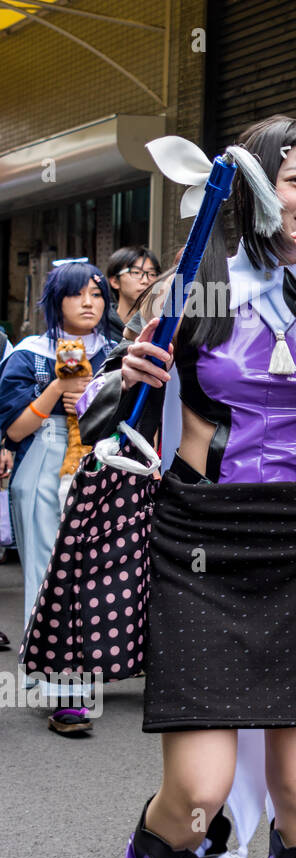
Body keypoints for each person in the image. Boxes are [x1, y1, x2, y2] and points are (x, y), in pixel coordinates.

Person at [89, 115, 296, 858]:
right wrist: (123, 377)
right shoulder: (198, 286)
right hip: (201, 542)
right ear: (256, 187)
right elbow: (114, 410)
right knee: (198, 797)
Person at [0, 261, 117, 731]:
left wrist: (96, 398)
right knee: (47, 575)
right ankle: (60, 689)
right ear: (56, 302)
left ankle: (85, 676)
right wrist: (58, 389)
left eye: (97, 294)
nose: (89, 303)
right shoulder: (29, 353)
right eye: (77, 294)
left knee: (94, 579)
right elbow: (12, 427)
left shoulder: (119, 352)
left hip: (101, 467)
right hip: (44, 467)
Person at [105, 246, 161, 336]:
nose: (145, 281)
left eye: (152, 274)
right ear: (115, 281)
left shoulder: (159, 325)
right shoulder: (101, 325)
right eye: (136, 272)